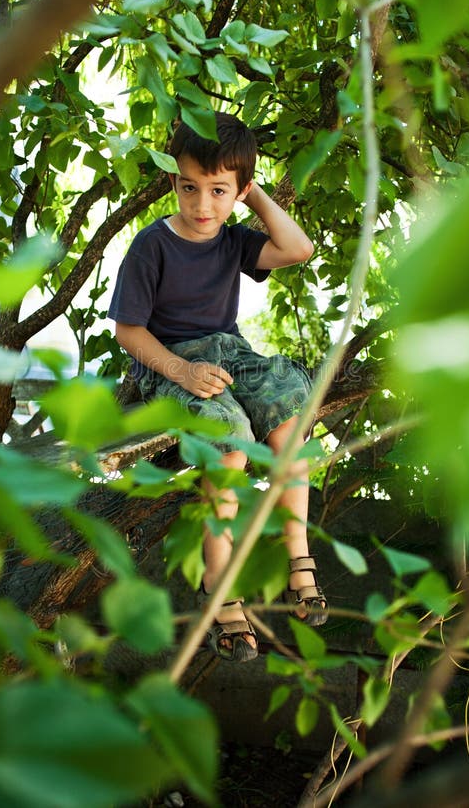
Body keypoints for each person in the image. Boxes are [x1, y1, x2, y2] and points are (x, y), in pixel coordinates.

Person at [108, 111, 328, 662]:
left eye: (219, 191)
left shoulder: (232, 240)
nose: (203, 205)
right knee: (230, 441)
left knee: (287, 414)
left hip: (228, 352)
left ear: (239, 191)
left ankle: (299, 556)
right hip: (170, 363)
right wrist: (179, 372)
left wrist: (251, 196)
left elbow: (298, 249)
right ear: (173, 182)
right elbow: (128, 331)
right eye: (190, 188)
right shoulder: (152, 246)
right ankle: (219, 583)